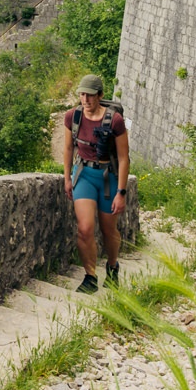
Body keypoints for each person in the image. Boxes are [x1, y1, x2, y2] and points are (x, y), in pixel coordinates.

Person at [63, 73, 129, 293]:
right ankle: (90, 277)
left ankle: (112, 266)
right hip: (84, 175)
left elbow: (123, 158)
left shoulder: (115, 121)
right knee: (84, 229)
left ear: (100, 95)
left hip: (108, 178)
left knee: (109, 230)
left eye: (90, 95)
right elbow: (68, 149)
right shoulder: (72, 117)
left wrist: (121, 192)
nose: (86, 99)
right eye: (82, 95)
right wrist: (67, 178)